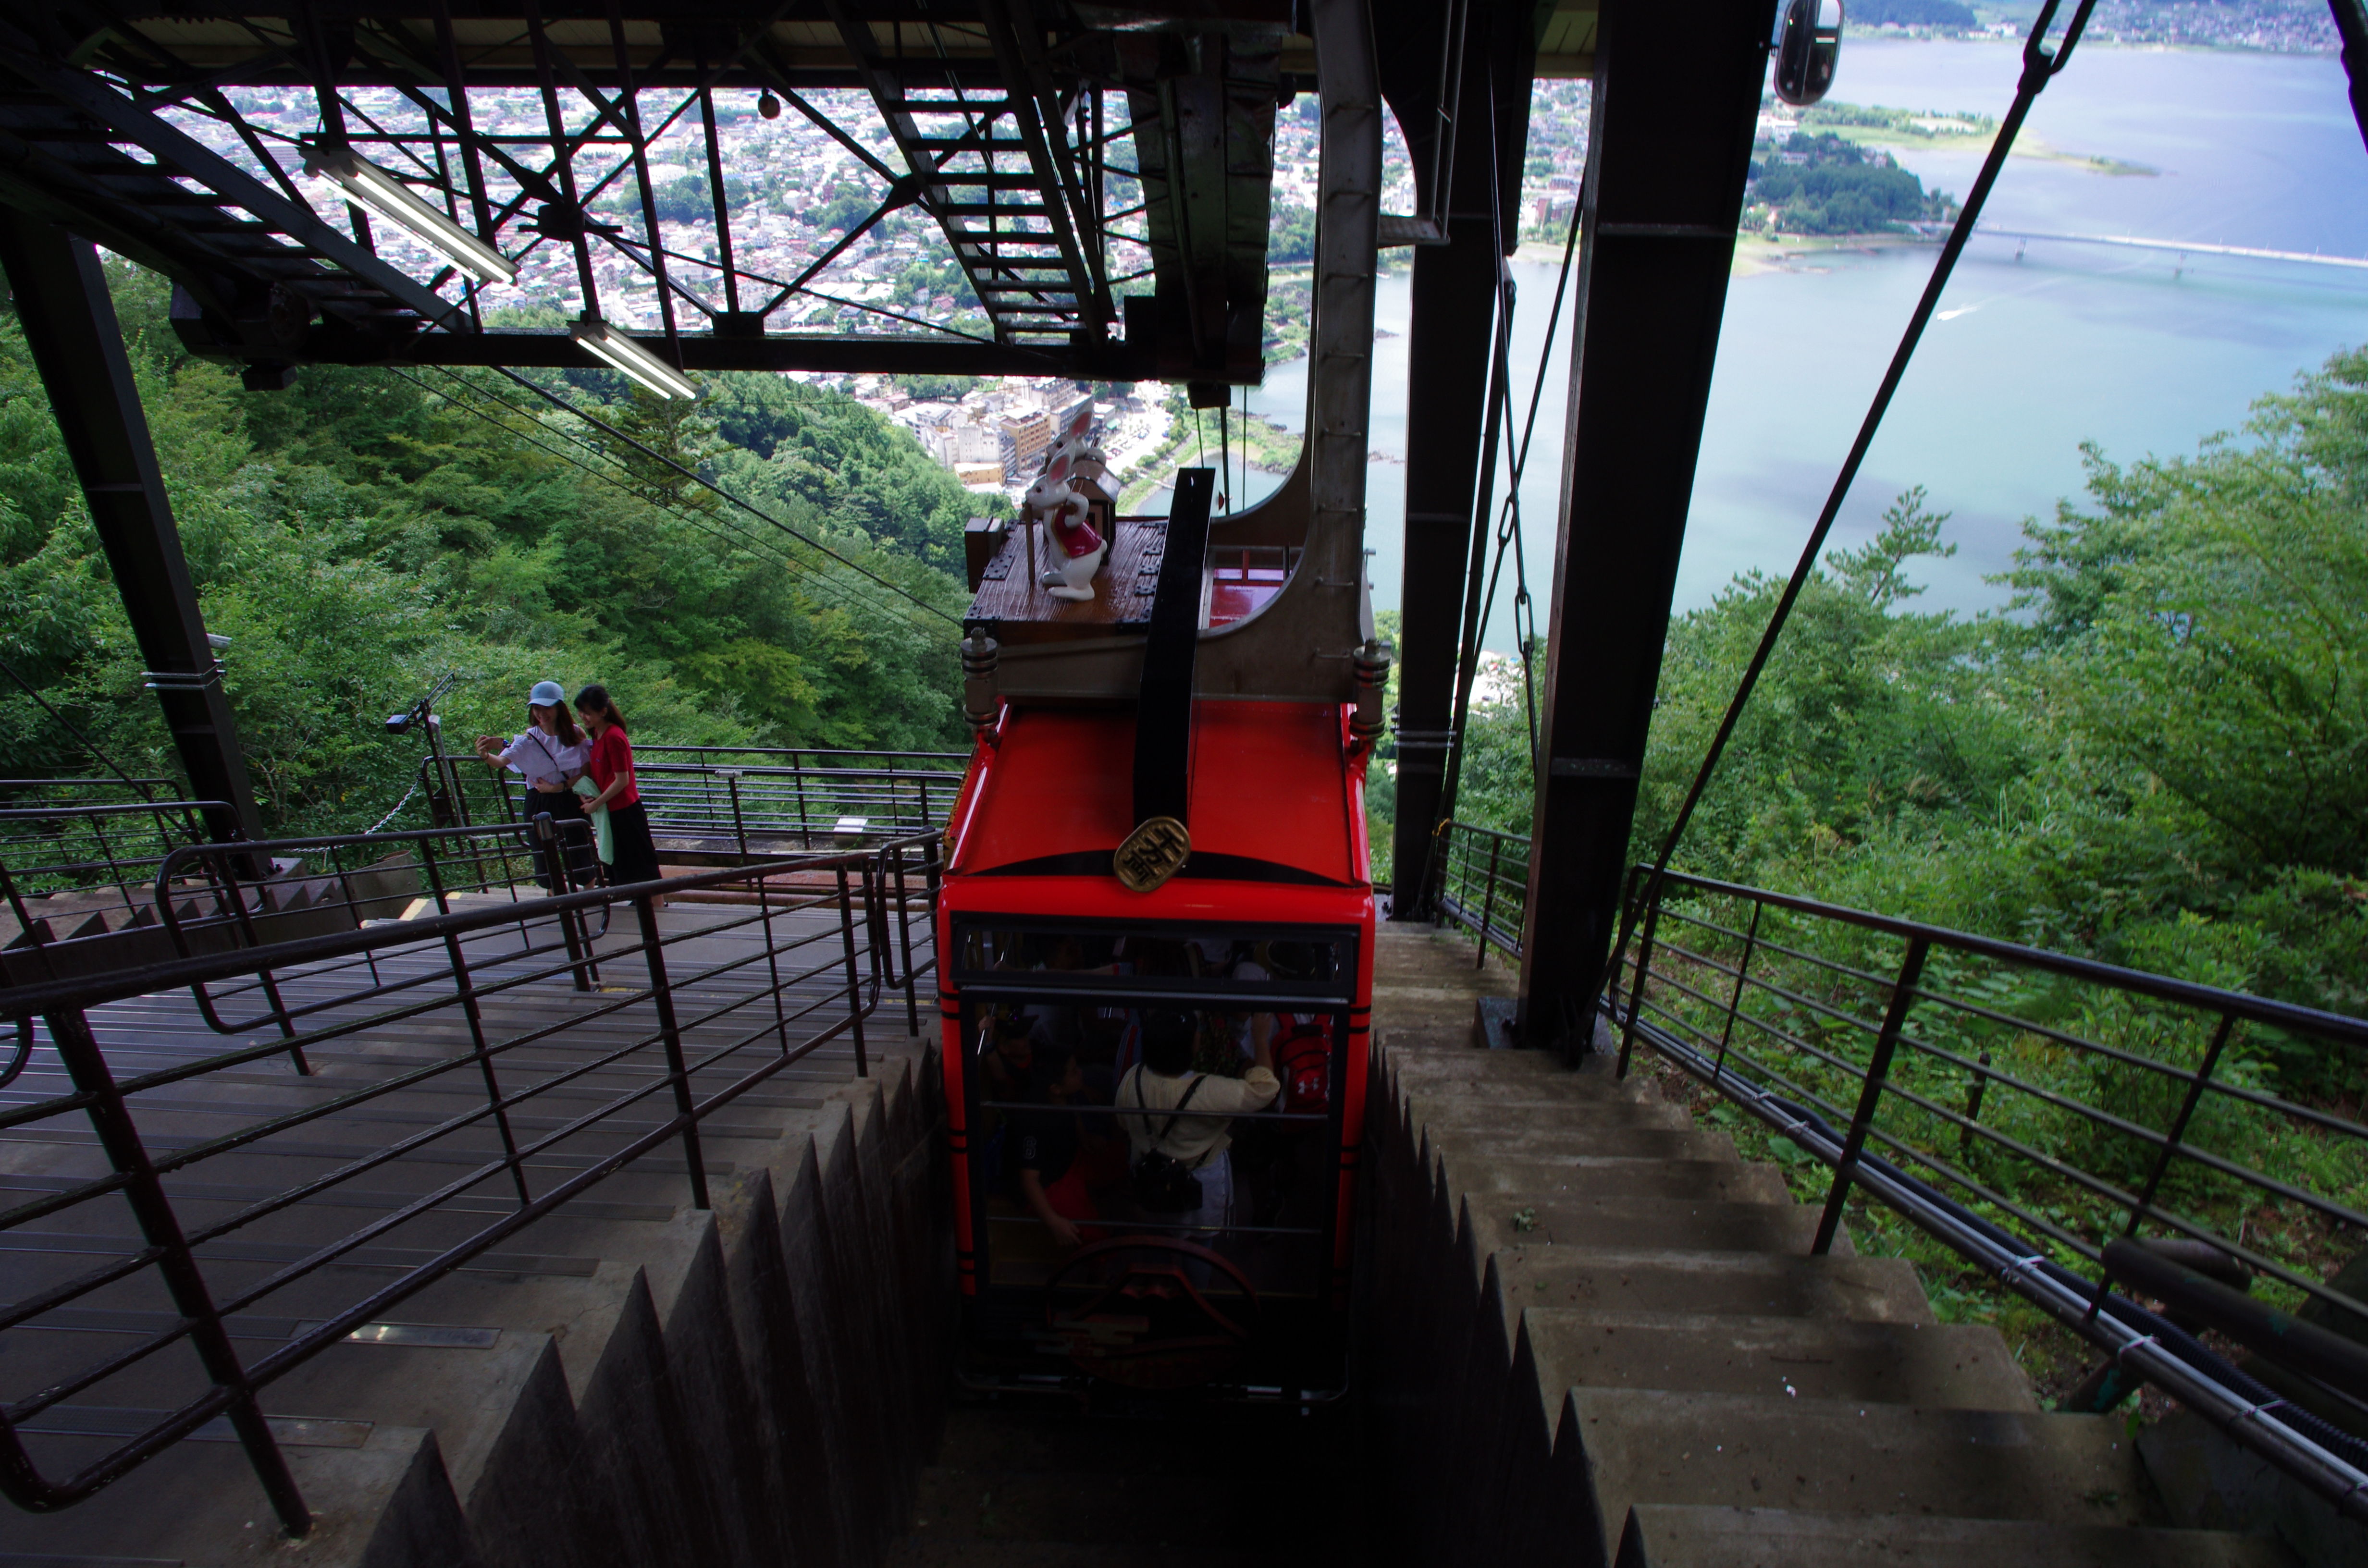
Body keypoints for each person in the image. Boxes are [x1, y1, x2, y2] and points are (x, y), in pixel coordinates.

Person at [1117, 1009, 1278, 1246]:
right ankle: (1194, 1284)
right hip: (1200, 1182)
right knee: (1199, 1246)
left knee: (1156, 1240)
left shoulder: (1133, 1076)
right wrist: (1261, 1040)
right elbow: (1265, 1089)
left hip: (1147, 1174)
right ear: (1191, 1046)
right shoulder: (1209, 1091)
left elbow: (1122, 1122)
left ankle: (1159, 1280)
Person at [475, 681, 592, 894]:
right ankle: (557, 895)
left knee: (579, 846)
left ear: (559, 708)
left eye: (546, 708)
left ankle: (590, 891)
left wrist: (559, 787)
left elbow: (585, 770)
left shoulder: (575, 734)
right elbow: (502, 762)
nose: (541, 713)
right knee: (544, 850)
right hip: (539, 800)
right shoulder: (529, 739)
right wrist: (484, 754)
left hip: (570, 797)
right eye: (537, 708)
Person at [574, 685, 663, 891]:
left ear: (602, 711)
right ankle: (635, 908)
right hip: (610, 810)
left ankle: (656, 908)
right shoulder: (596, 734)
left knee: (642, 864)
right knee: (619, 864)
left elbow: (622, 780)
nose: (583, 717)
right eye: (581, 712)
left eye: (587, 713)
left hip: (625, 811)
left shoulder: (614, 737)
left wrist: (596, 804)